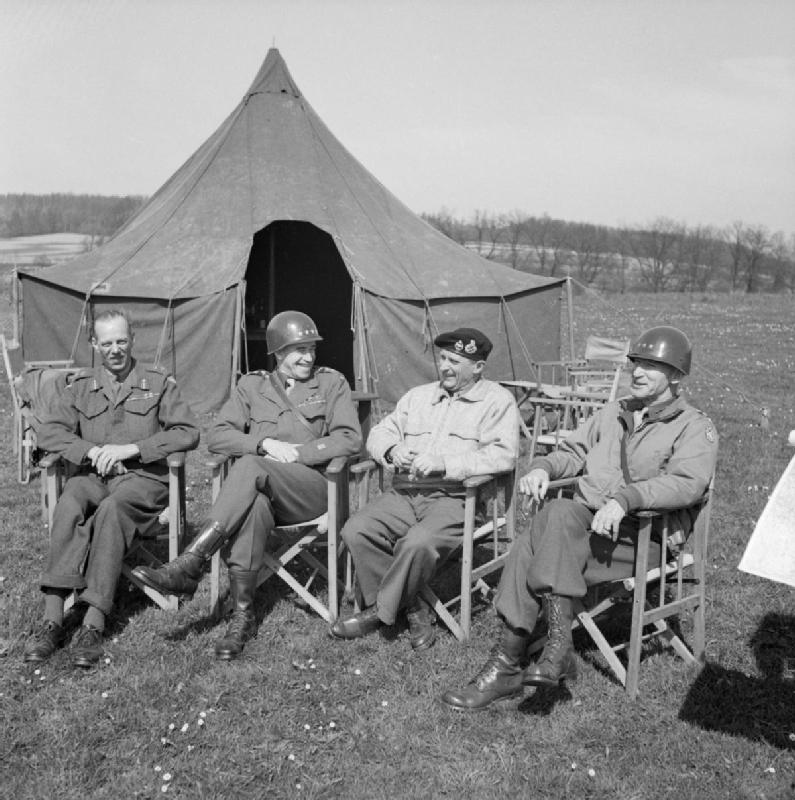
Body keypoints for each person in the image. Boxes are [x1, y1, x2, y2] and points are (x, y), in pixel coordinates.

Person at [441, 325, 719, 709]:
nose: (637, 372)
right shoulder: (614, 412)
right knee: (556, 512)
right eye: (635, 362)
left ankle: (508, 662)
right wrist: (541, 467)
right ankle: (556, 645)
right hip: (584, 526)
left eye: (650, 366)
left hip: (642, 538)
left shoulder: (694, 427)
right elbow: (572, 451)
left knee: (531, 540)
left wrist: (627, 499)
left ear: (676, 375)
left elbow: (688, 483)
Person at [133, 311, 362, 660]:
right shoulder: (250, 386)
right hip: (265, 491)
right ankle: (242, 616)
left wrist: (299, 453)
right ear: (277, 353)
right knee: (253, 503)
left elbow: (349, 438)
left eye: (311, 348)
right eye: (297, 350)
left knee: (250, 467)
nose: (308, 357)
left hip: (313, 489)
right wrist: (263, 445)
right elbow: (218, 436)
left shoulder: (331, 383)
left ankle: (191, 563)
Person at [23, 309, 200, 668]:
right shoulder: (80, 387)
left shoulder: (158, 382)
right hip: (93, 477)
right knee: (70, 501)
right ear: (95, 345)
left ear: (132, 338)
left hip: (144, 482)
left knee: (112, 510)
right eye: (107, 344)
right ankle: (53, 619)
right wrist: (90, 452)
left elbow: (187, 432)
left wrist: (133, 449)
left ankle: (92, 623)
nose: (115, 350)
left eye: (121, 341)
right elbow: (50, 432)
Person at [330, 327, 520, 651]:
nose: (445, 366)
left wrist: (446, 462)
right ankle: (414, 607)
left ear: (478, 367)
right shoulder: (418, 396)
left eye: (456, 361)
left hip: (457, 497)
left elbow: (504, 455)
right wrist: (391, 451)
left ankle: (378, 612)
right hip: (405, 492)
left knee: (418, 542)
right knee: (356, 529)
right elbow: (379, 433)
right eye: (443, 358)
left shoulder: (497, 401)